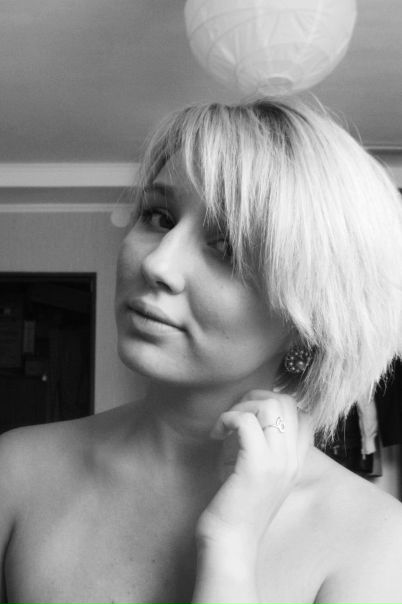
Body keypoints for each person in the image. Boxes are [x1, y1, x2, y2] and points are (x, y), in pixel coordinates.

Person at [1, 98, 402, 604]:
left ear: (310, 321)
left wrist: (230, 548)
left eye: (228, 247)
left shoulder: (377, 542)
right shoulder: (17, 469)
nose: (158, 264)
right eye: (159, 216)